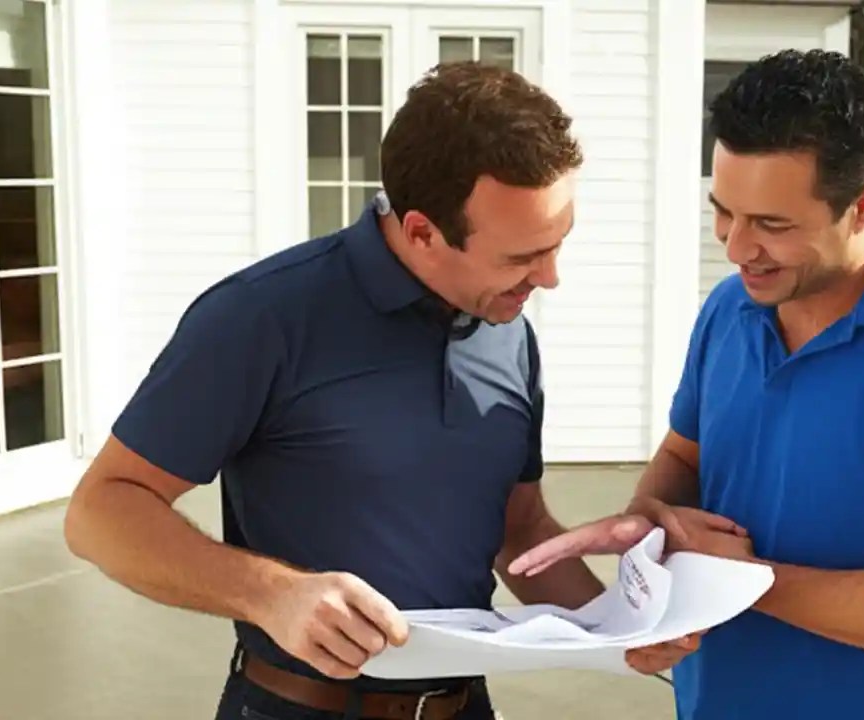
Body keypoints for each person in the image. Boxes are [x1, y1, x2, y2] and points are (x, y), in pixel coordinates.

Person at [63, 61, 698, 720]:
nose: (550, 278)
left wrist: (617, 629)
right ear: (422, 231)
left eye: (557, 245)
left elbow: (519, 528)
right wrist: (270, 593)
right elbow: (101, 511)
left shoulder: (511, 330)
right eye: (520, 258)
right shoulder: (262, 318)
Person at [507, 49, 864, 719]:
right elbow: (683, 458)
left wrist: (738, 583)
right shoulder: (730, 311)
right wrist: (647, 531)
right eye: (724, 211)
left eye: (773, 225)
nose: (734, 247)